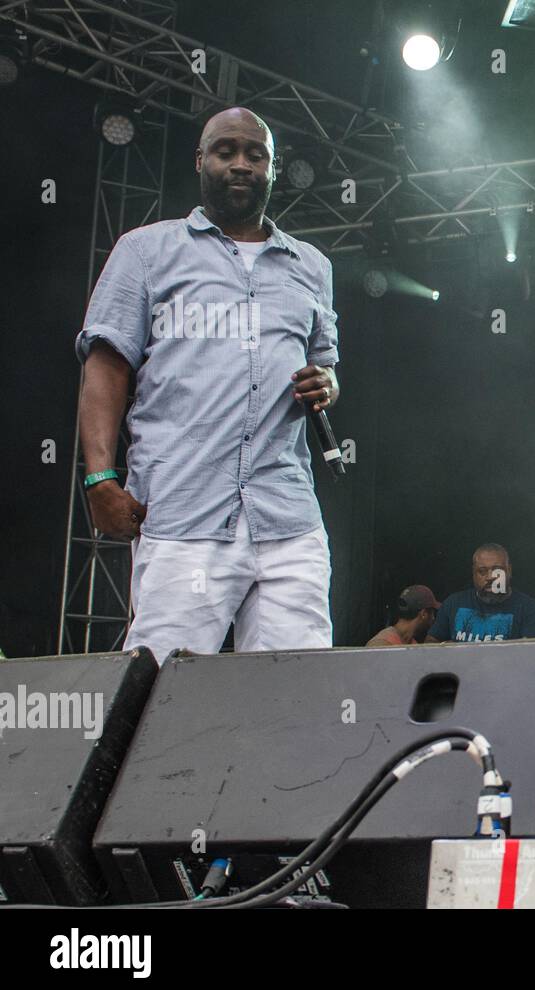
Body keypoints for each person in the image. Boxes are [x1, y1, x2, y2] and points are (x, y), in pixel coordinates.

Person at [76, 107, 340, 664]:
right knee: (159, 693)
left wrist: (327, 384)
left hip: (287, 515)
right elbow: (106, 366)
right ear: (201, 161)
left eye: (256, 154)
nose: (241, 164)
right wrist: (100, 477)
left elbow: (325, 365)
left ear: (273, 167)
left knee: (297, 696)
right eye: (226, 151)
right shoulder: (146, 250)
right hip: (182, 510)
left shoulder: (311, 266)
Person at [428, 544, 535, 642]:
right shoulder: (453, 603)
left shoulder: (531, 609)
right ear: (473, 574)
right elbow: (430, 644)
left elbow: (532, 657)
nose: (490, 577)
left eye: (497, 570)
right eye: (482, 571)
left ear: (509, 571)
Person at [366, 585, 440, 647]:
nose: (433, 618)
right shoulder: (381, 644)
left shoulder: (411, 644)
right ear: (424, 614)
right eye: (432, 613)